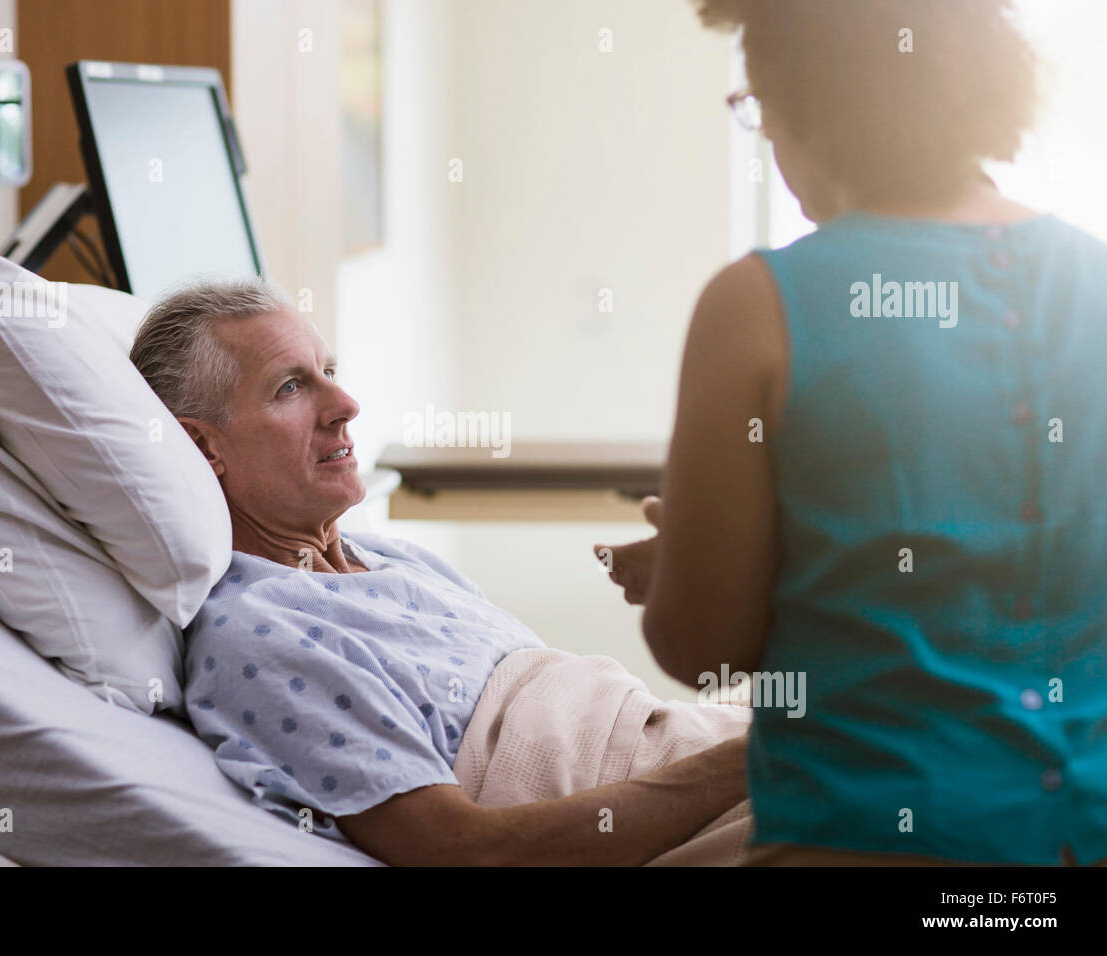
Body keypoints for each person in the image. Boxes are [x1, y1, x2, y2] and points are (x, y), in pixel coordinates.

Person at [598, 0, 1107, 865]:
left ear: (807, 103)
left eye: (755, 106)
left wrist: (697, 562)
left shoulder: (757, 307)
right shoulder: (1094, 282)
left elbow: (702, 647)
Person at [129, 280, 753, 866]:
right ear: (204, 447)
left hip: (695, 749)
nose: (345, 406)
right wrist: (755, 763)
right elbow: (470, 852)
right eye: (290, 388)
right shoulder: (258, 636)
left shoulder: (392, 561)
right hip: (720, 805)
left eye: (329, 372)